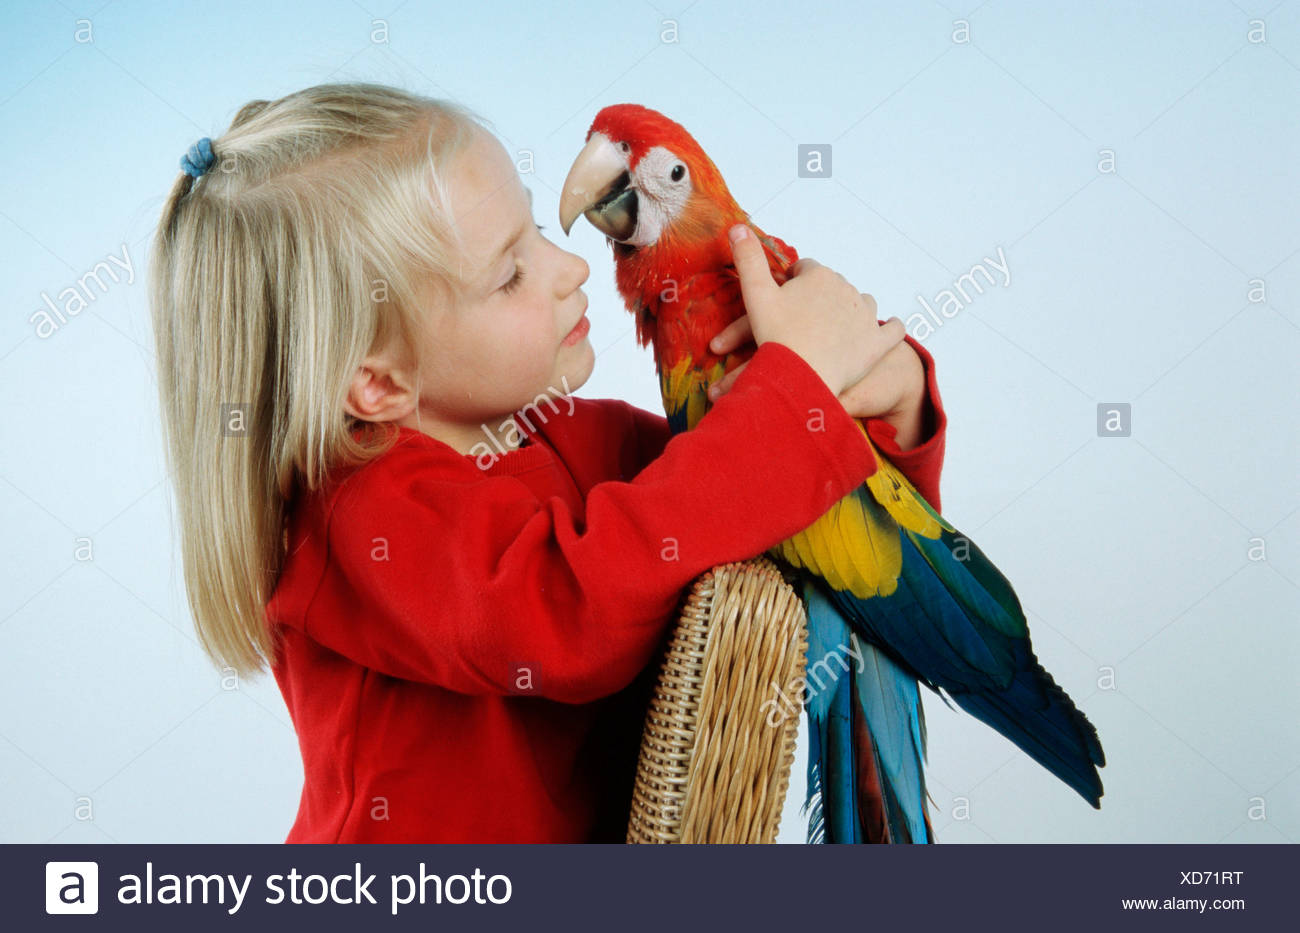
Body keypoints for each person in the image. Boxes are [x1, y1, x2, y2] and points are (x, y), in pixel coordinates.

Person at [148, 82, 948, 843]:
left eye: (535, 228)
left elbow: (770, 504)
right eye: (510, 273)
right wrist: (793, 393)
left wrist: (891, 395)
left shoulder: (563, 435)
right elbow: (568, 610)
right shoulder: (360, 514)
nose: (569, 265)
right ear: (378, 380)